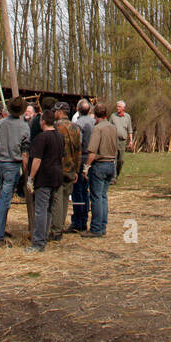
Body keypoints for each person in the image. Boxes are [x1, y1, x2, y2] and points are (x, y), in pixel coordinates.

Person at [0, 96, 30, 246]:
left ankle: (0, 229)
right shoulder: (24, 127)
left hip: (0, 164)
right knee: (4, 201)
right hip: (12, 165)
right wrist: (26, 174)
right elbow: (25, 153)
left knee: (3, 199)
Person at [26, 108, 64, 253]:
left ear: (42, 122)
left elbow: (37, 160)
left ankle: (38, 243)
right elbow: (61, 157)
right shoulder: (59, 136)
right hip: (57, 176)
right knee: (48, 209)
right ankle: (44, 237)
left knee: (40, 210)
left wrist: (31, 178)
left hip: (44, 177)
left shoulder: (40, 138)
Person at [83, 104, 117, 237]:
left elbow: (92, 151)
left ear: (95, 115)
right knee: (103, 196)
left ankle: (96, 229)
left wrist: (86, 167)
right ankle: (102, 226)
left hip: (100, 165)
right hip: (111, 164)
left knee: (96, 197)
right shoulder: (113, 127)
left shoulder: (97, 129)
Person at [50, 102, 81, 240]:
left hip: (57, 168)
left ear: (60, 112)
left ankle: (56, 231)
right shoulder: (76, 128)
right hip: (70, 169)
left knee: (57, 200)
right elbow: (78, 151)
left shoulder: (56, 127)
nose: (53, 113)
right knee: (64, 200)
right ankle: (60, 226)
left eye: (55, 111)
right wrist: (76, 170)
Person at [69, 98, 95, 231]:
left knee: (78, 190)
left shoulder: (78, 124)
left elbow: (77, 145)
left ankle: (79, 221)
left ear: (78, 110)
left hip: (82, 158)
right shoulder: (94, 122)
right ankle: (84, 218)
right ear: (89, 110)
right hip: (93, 158)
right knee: (86, 190)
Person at [109, 100, 133, 182]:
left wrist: (131, 141)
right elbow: (109, 127)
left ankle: (117, 174)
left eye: (119, 106)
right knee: (113, 159)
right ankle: (113, 177)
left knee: (121, 160)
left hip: (122, 141)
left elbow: (130, 129)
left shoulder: (127, 117)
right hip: (114, 140)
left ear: (123, 108)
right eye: (117, 106)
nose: (117, 108)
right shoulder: (113, 116)